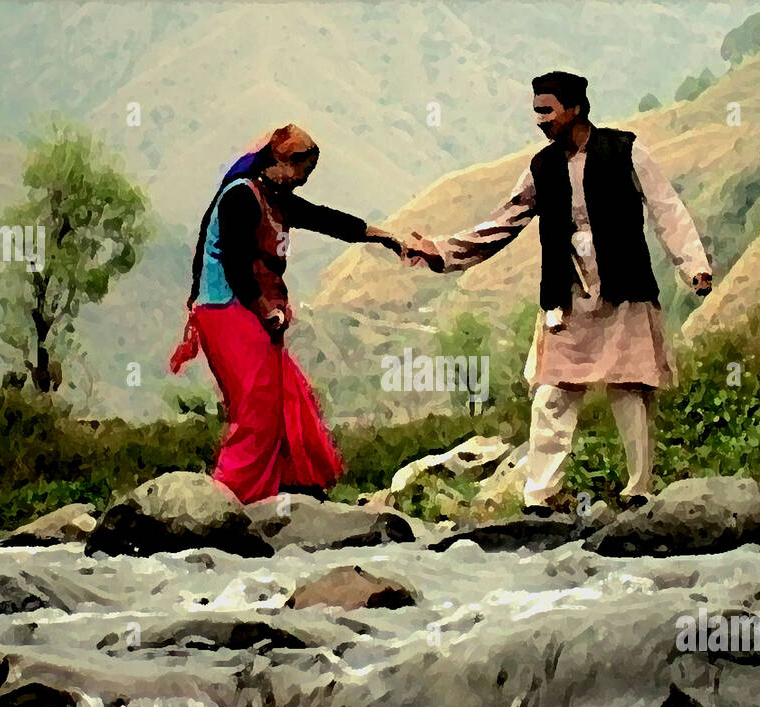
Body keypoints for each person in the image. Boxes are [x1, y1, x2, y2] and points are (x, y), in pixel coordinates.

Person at [403, 71, 714, 515]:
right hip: (566, 295)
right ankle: (541, 496)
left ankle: (639, 490)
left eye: (546, 110)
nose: (540, 120)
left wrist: (694, 266)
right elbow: (501, 224)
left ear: (575, 109)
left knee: (630, 389)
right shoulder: (542, 167)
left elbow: (667, 209)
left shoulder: (625, 151)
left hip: (623, 288)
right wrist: (440, 252)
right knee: (551, 393)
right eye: (536, 111)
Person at [170, 124, 404, 503]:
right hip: (225, 307)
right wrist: (265, 311)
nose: (301, 182)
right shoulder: (241, 197)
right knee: (256, 405)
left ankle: (291, 482)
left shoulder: (276, 198)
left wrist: (384, 236)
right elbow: (234, 262)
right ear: (278, 162)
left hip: (250, 310)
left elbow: (328, 220)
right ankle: (232, 495)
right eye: (300, 172)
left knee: (290, 396)